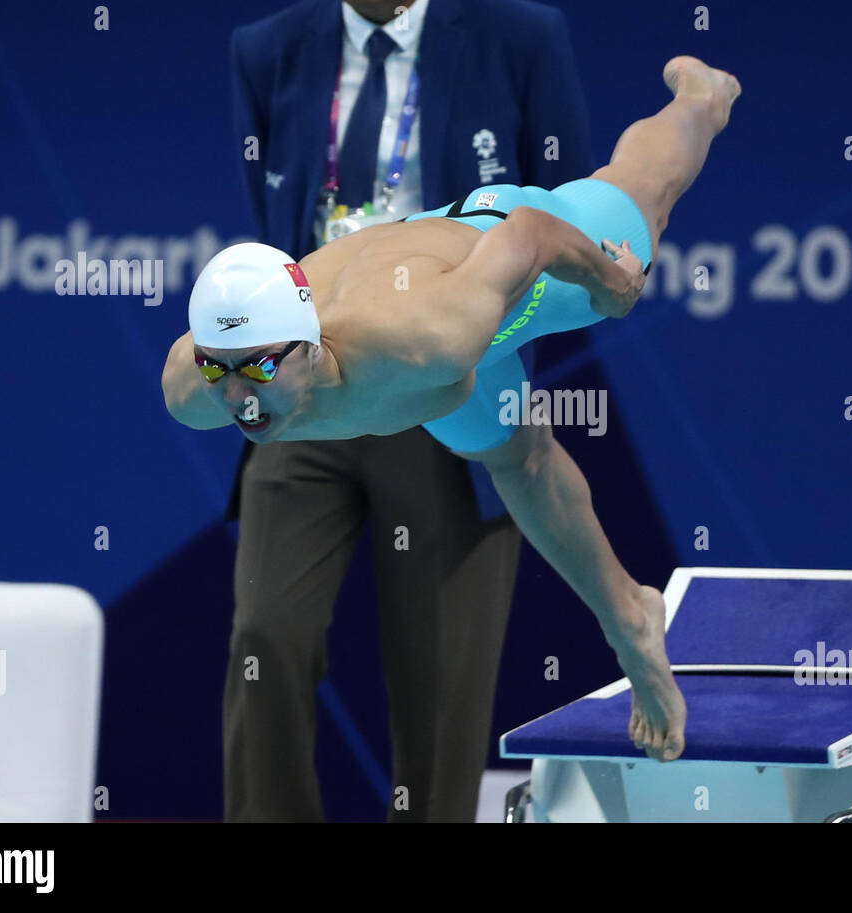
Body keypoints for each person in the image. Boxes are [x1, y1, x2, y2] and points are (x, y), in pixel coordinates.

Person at [166, 55, 742, 762]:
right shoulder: (195, 392)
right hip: (411, 308)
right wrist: (232, 362)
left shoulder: (425, 338)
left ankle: (702, 99)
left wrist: (608, 278)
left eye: (258, 367)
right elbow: (226, 360)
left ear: (310, 347)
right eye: (219, 368)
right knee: (516, 458)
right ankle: (633, 617)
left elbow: (529, 234)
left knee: (638, 198)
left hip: (491, 253)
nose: (238, 398)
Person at [222, 0, 594, 822]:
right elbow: (273, 221)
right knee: (265, 636)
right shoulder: (267, 51)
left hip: (444, 387)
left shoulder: (520, 38)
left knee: (438, 681)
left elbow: (563, 211)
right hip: (310, 393)